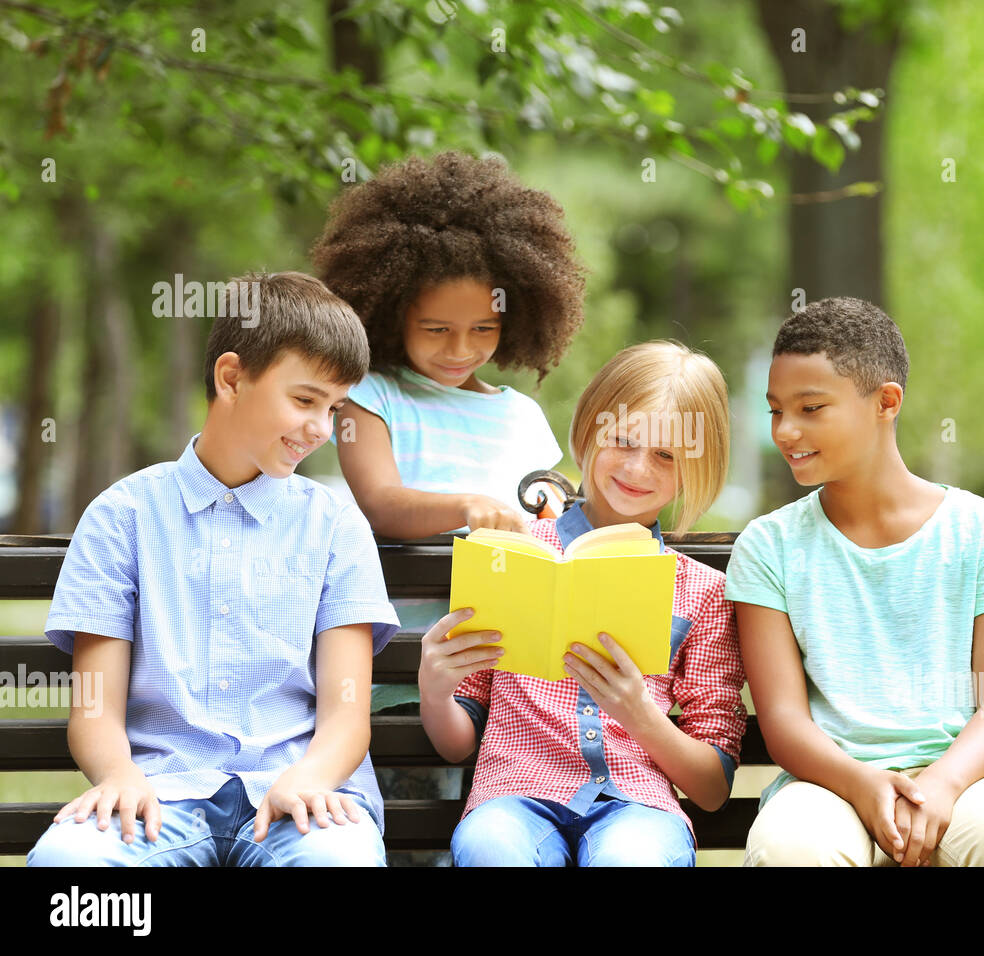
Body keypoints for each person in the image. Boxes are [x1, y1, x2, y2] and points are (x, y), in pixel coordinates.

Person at [26, 272, 400, 867]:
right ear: (231, 378)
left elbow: (347, 713)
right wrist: (117, 774)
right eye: (305, 400)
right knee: (69, 867)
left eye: (333, 408)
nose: (321, 429)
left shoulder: (335, 526)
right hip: (159, 796)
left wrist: (312, 775)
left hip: (299, 799)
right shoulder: (122, 516)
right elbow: (95, 706)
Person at [727, 297, 984, 867]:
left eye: (811, 408)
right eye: (775, 410)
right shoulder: (768, 546)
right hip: (829, 784)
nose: (786, 431)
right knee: (789, 851)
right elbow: (784, 723)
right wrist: (864, 784)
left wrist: (942, 784)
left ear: (886, 402)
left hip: (970, 776)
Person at [418, 341, 746, 866]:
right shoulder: (512, 553)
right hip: (513, 797)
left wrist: (639, 714)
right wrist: (435, 692)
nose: (638, 469)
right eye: (622, 440)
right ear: (591, 428)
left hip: (637, 808)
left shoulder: (700, 591)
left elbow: (711, 789)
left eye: (666, 455)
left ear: (693, 469)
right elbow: (457, 744)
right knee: (491, 847)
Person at [311, 151, 585, 722]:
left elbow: (548, 523)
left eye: (483, 329)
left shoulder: (522, 416)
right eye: (436, 330)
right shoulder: (370, 396)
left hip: (506, 680)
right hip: (398, 675)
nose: (461, 349)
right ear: (388, 315)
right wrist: (469, 506)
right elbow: (382, 506)